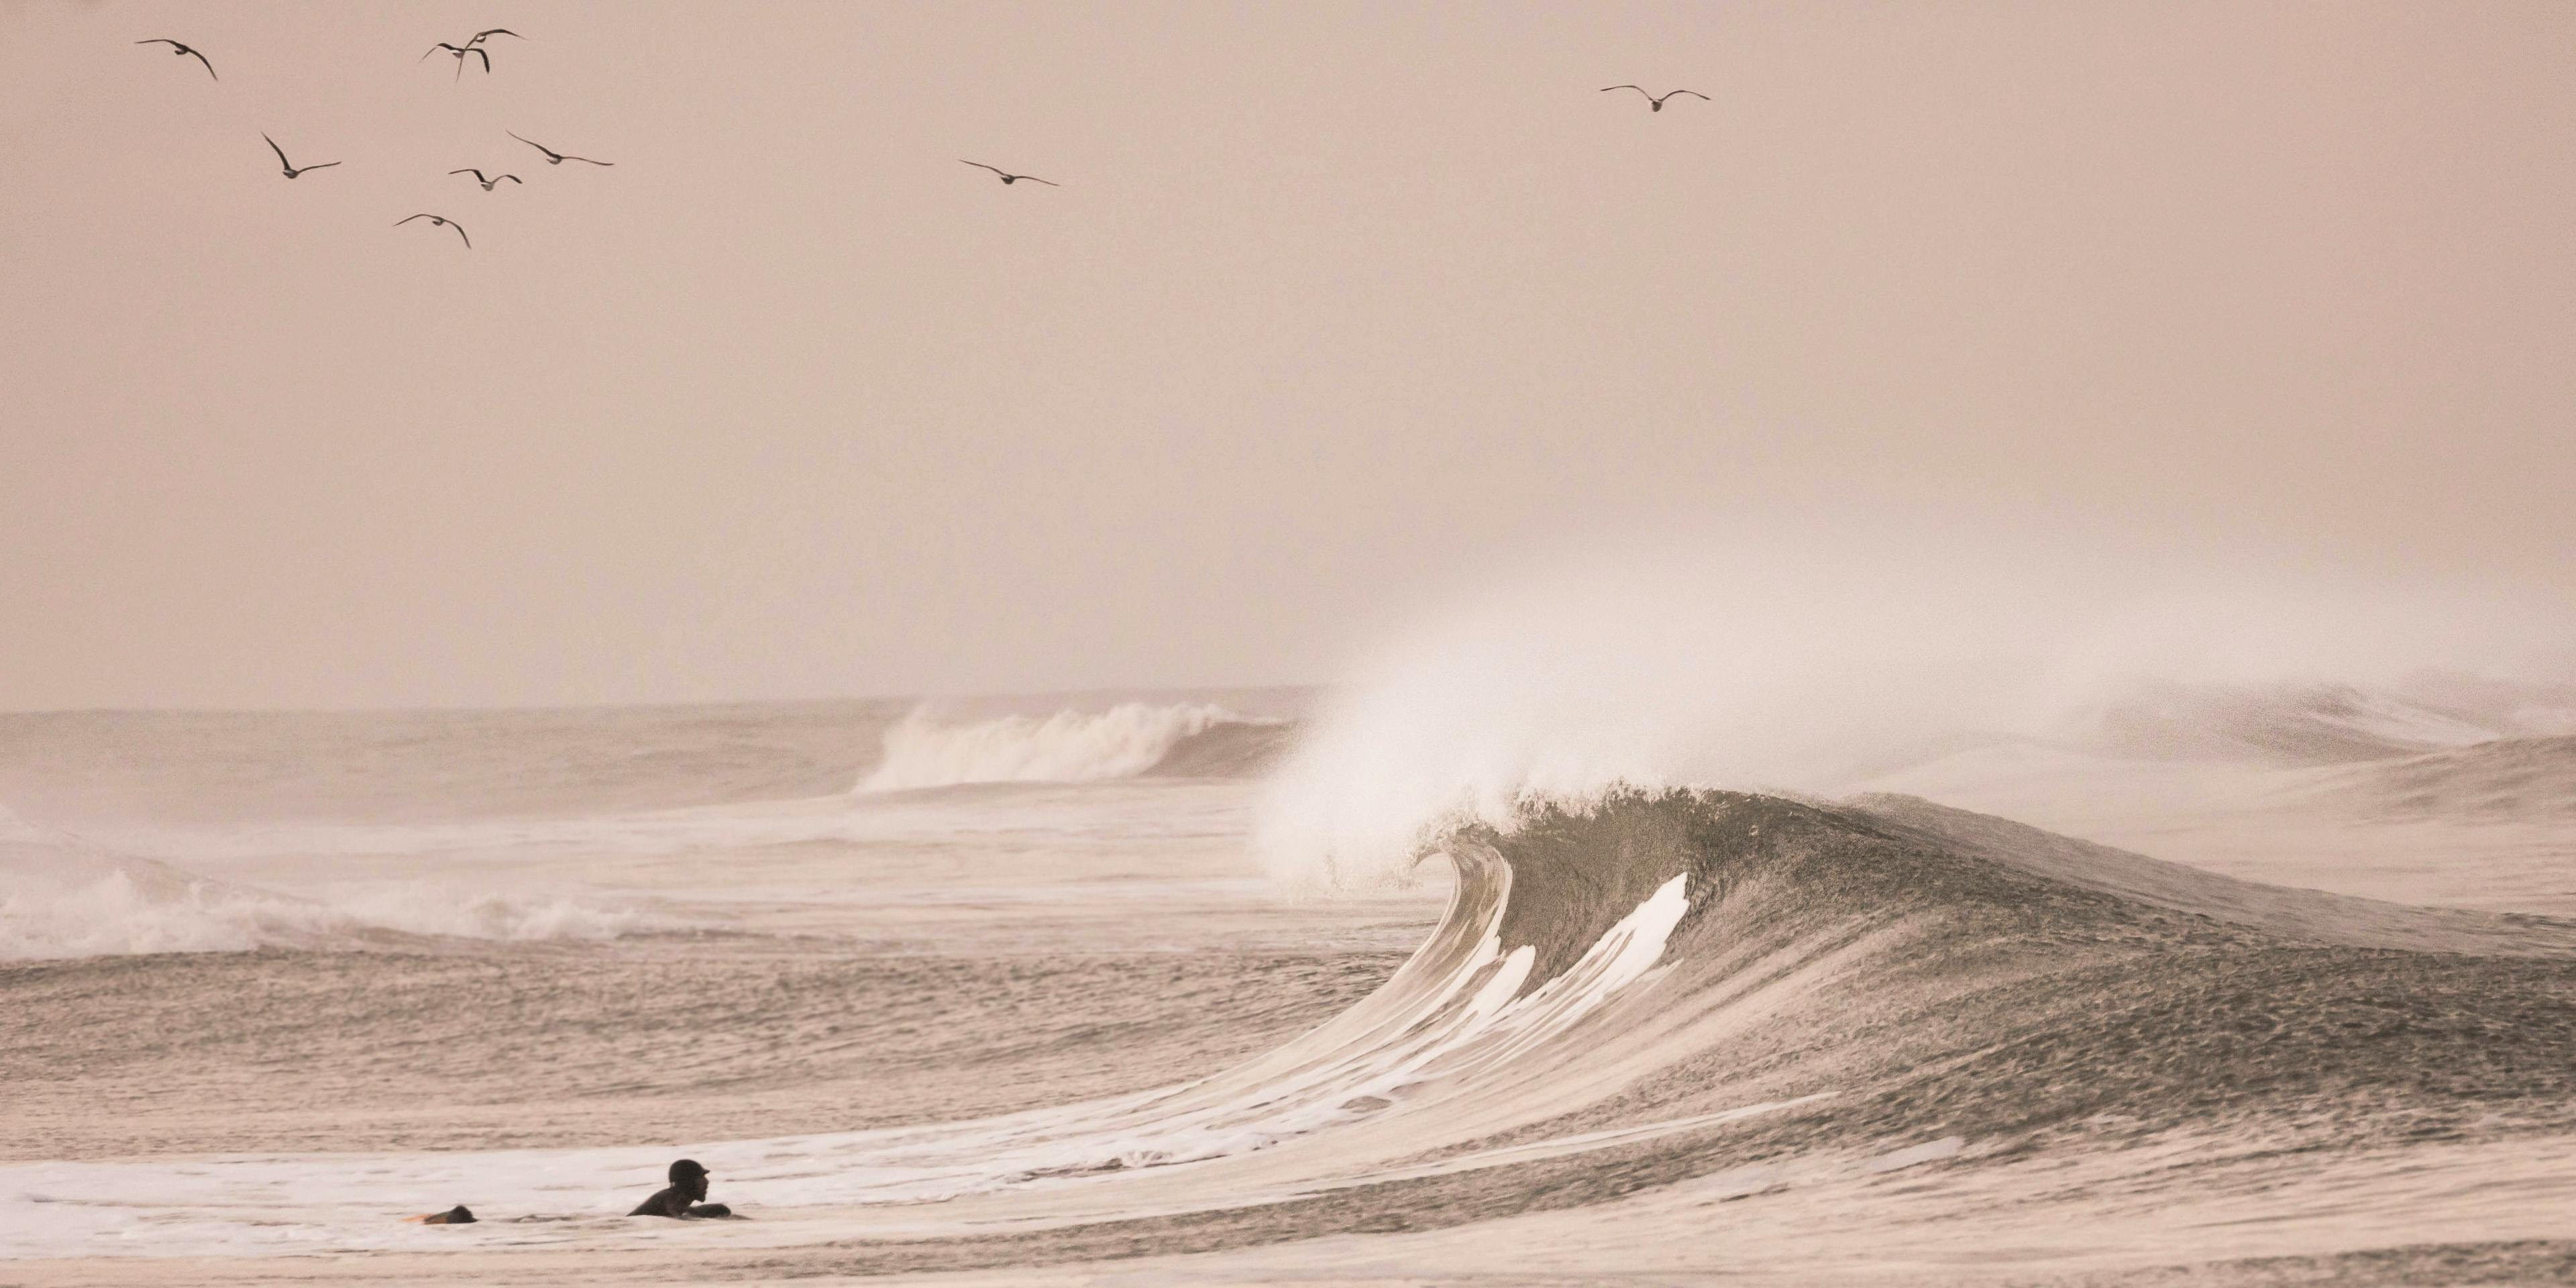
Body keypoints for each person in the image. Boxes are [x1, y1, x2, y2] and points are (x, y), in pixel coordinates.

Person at [629, 1158, 736, 1218]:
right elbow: (678, 1214)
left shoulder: (673, 1196)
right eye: (701, 1177)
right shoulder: (672, 1196)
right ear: (689, 1181)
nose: (706, 1182)